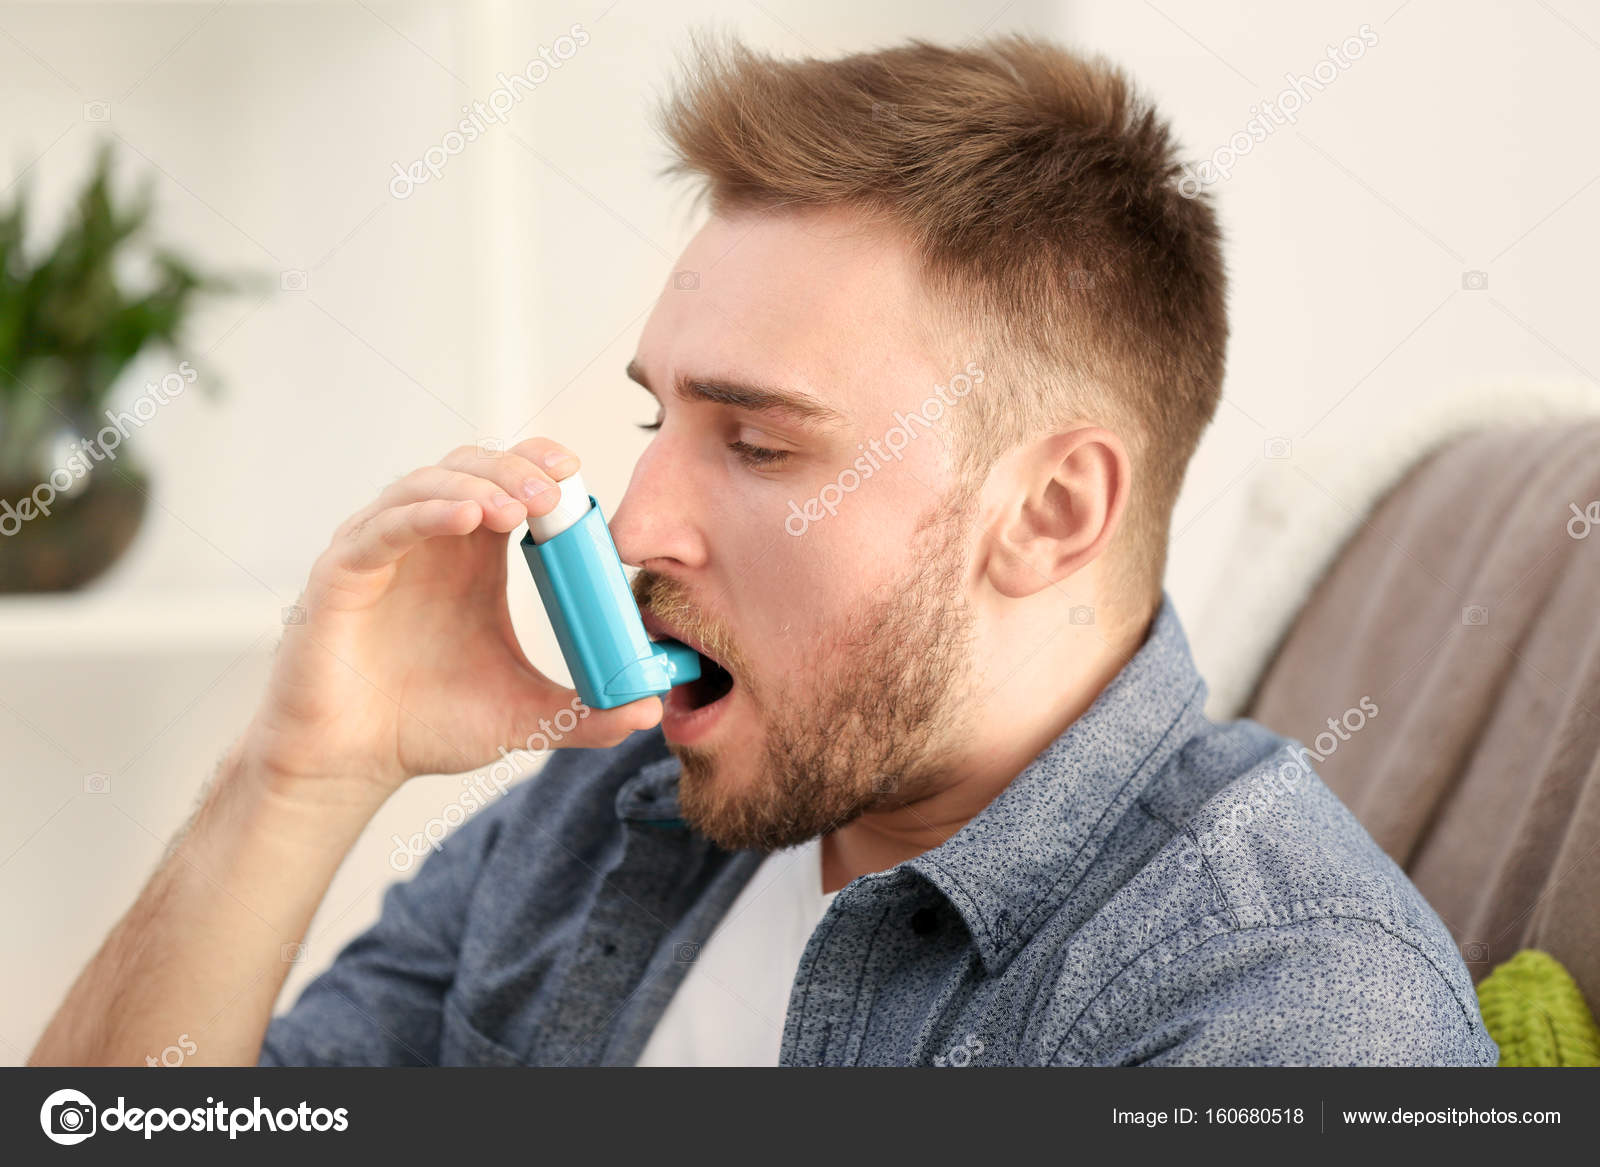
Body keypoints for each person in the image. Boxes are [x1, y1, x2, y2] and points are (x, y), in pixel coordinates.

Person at [30, 34, 1496, 1067]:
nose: (636, 523)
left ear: (1051, 513)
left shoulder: (1278, 1012)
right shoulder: (603, 819)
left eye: (761, 444)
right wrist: (297, 776)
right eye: (658, 418)